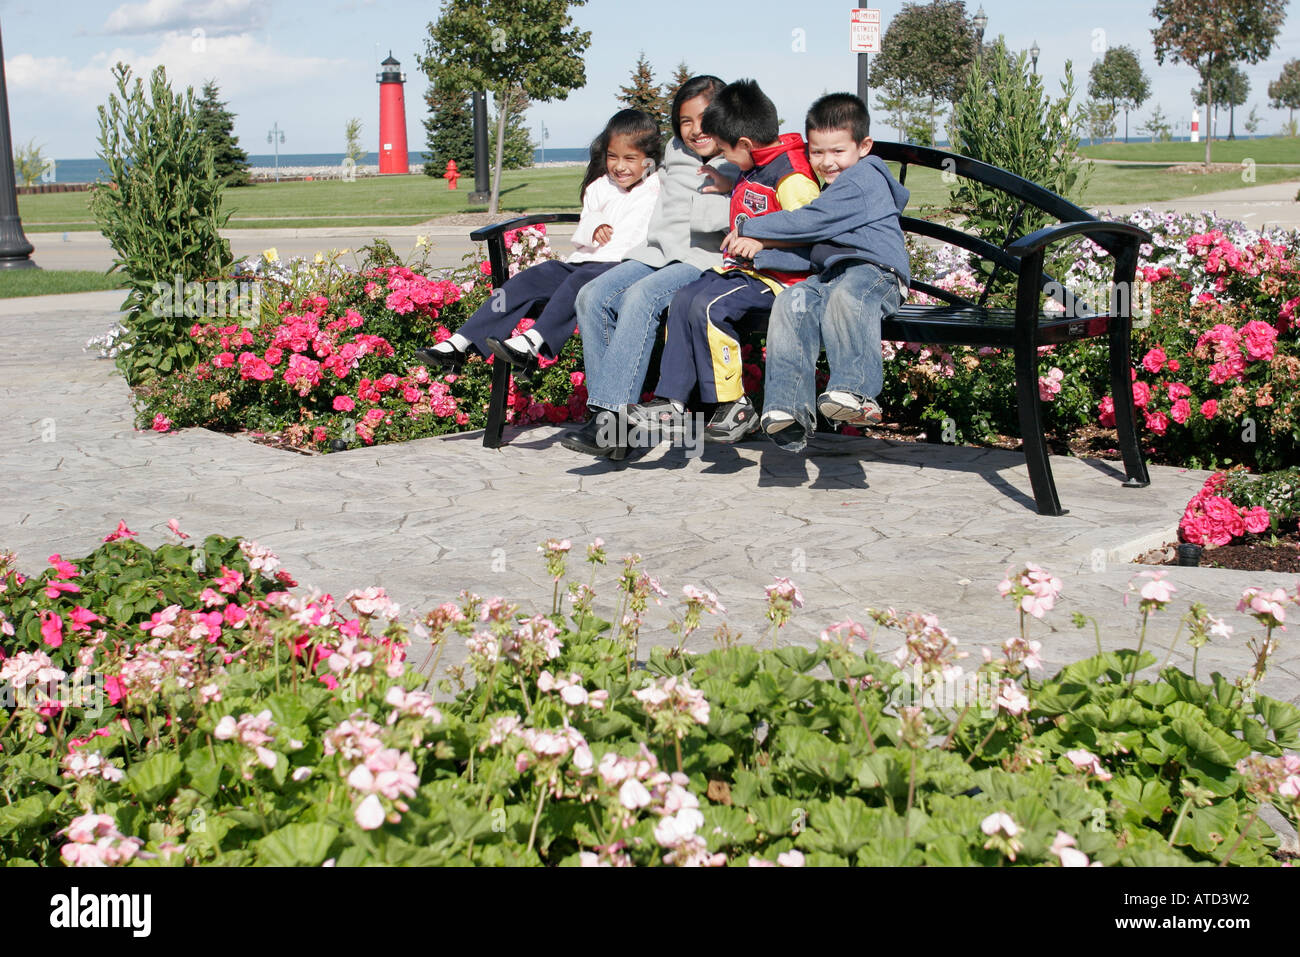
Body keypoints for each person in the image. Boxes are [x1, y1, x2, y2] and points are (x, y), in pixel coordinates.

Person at [626, 78, 820, 445]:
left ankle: (735, 404)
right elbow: (758, 194)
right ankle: (670, 404)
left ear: (745, 144)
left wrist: (760, 240)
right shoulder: (757, 161)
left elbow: (811, 231)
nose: (726, 160)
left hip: (781, 278)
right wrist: (728, 184)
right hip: (746, 271)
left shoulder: (792, 176)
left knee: (708, 306)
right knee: (684, 297)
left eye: (727, 153)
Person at [558, 75, 737, 459]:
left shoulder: (737, 157)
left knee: (640, 297)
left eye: (704, 118)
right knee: (592, 295)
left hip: (701, 259)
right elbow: (629, 172)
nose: (694, 129)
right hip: (655, 251)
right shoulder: (673, 150)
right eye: (685, 121)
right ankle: (607, 418)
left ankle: (611, 421)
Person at [723, 92, 910, 452]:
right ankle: (786, 409)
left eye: (837, 151)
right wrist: (761, 256)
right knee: (791, 301)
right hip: (831, 278)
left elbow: (809, 221)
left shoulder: (865, 178)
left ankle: (856, 392)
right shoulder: (833, 190)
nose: (827, 162)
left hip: (875, 276)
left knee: (846, 293)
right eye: (817, 152)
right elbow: (814, 255)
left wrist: (751, 230)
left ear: (864, 146)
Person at [413, 109, 663, 376]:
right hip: (584, 263)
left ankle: (533, 342)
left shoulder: (657, 186)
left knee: (580, 284)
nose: (620, 166)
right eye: (613, 157)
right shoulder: (600, 187)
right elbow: (586, 222)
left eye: (630, 158)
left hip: (625, 269)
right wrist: (595, 224)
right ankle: (461, 342)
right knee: (527, 280)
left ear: (649, 161)